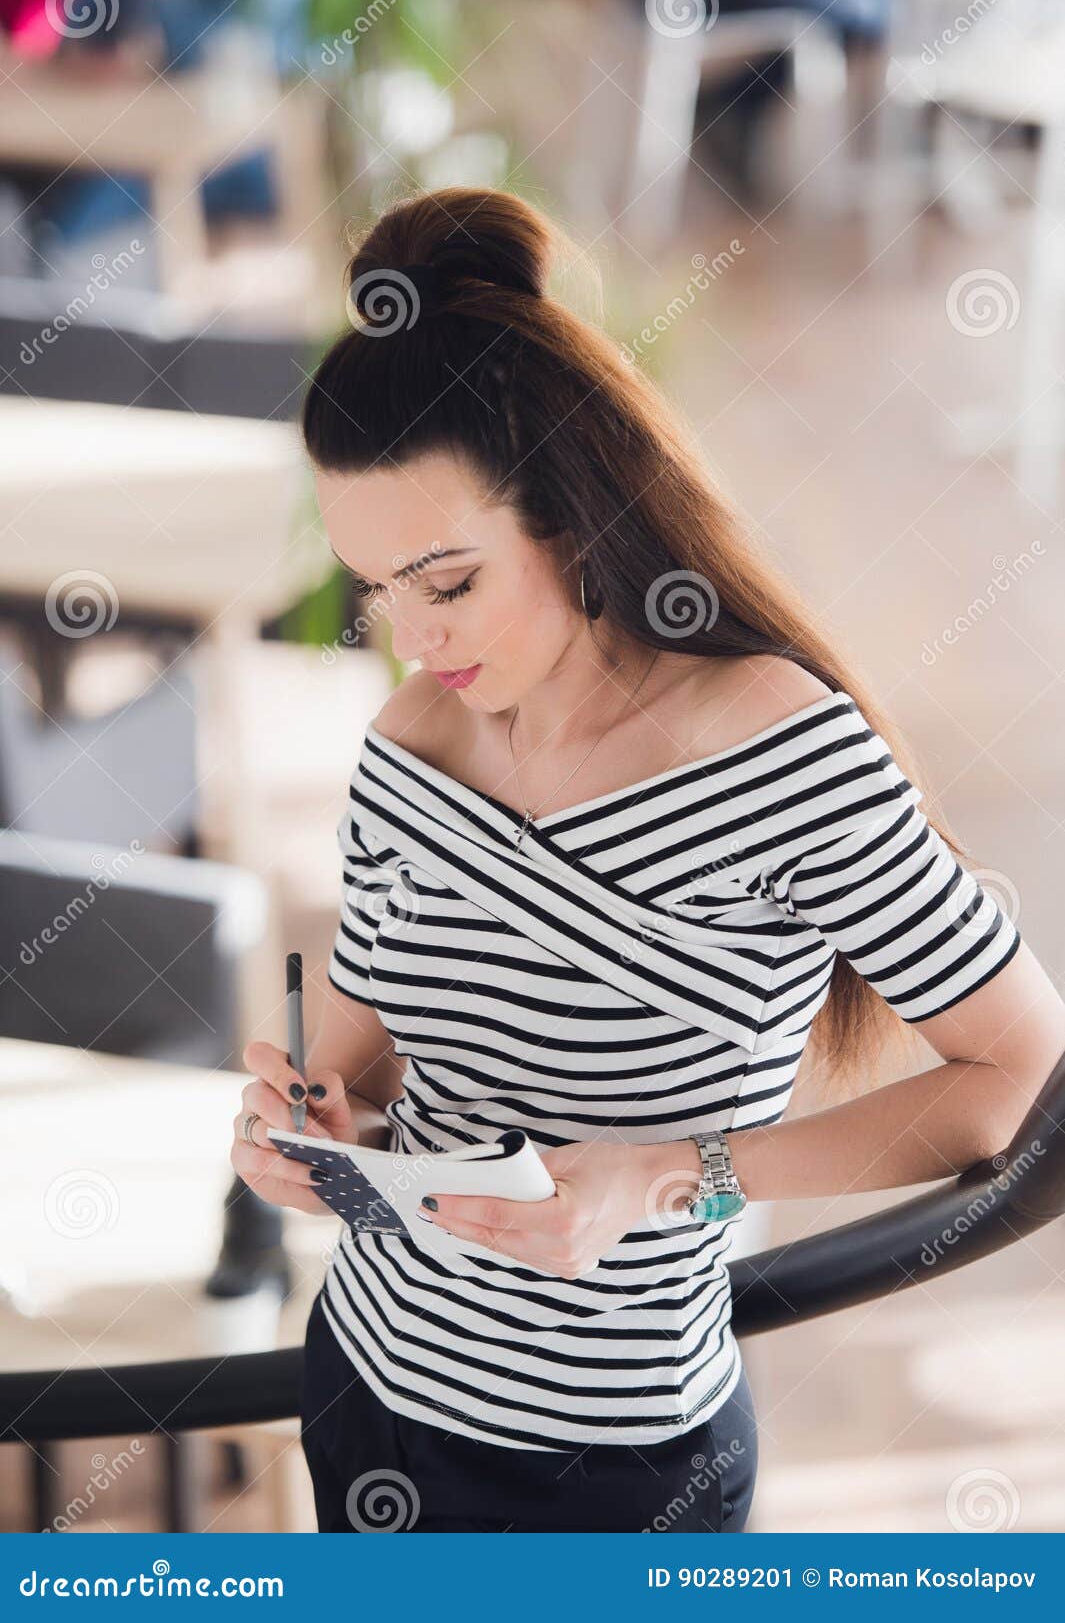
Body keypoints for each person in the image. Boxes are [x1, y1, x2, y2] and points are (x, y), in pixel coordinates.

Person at [230, 185, 1065, 1534]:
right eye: (373, 593)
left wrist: (677, 1168)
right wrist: (314, 1134)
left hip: (616, 1475)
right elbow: (366, 1076)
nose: (409, 640)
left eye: (445, 583)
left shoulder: (780, 758)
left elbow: (1023, 1082)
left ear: (564, 514)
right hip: (364, 1391)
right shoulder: (408, 747)